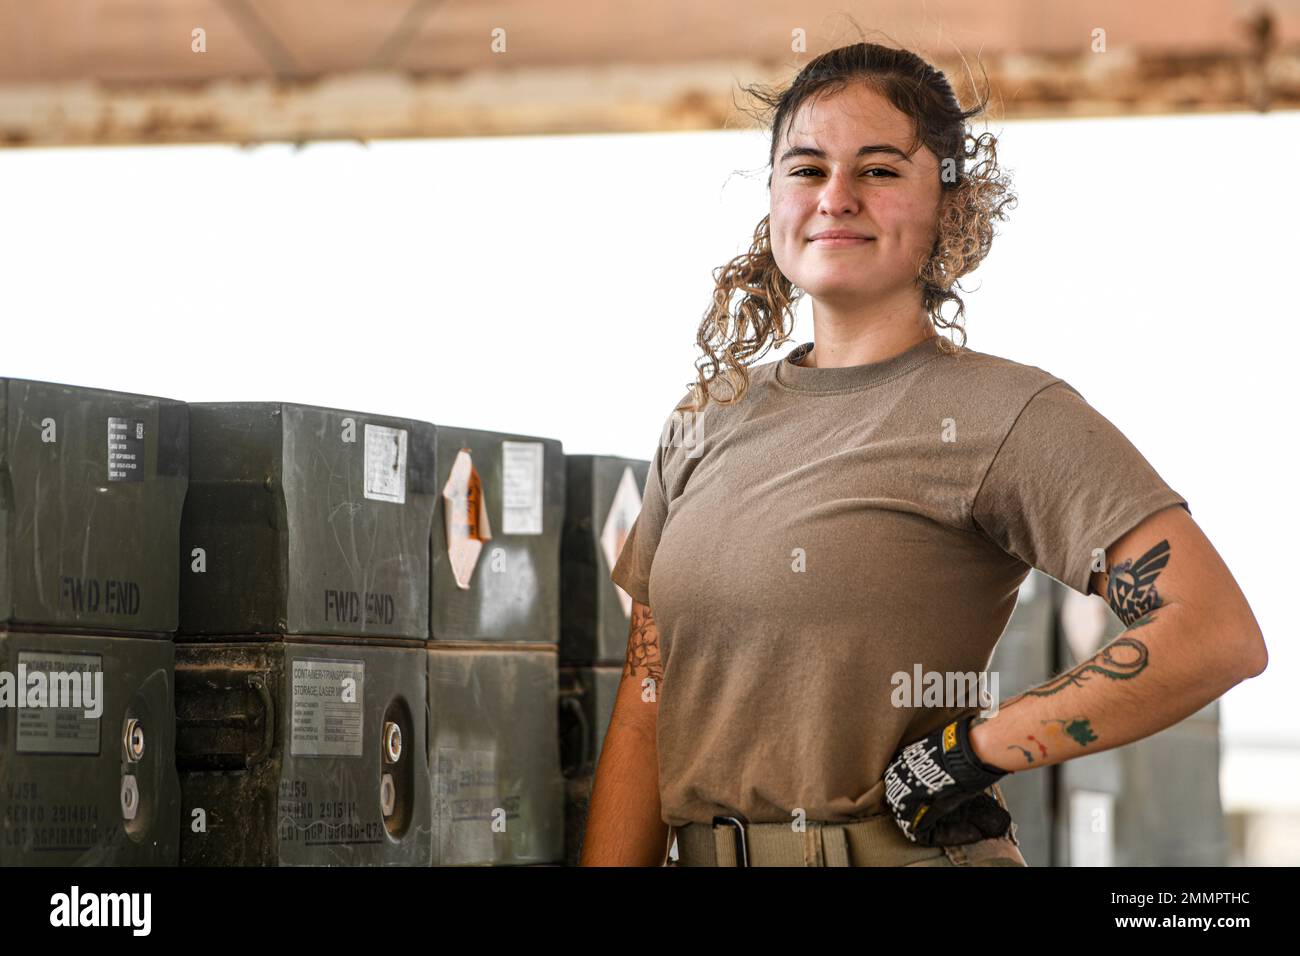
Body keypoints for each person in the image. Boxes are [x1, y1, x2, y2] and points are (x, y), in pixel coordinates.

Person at [580, 40, 1267, 867]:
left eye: (878, 170)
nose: (836, 197)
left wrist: (980, 747)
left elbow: (1215, 631)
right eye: (805, 170)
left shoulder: (1006, 412)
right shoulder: (705, 419)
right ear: (772, 200)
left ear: (949, 204)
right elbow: (647, 702)